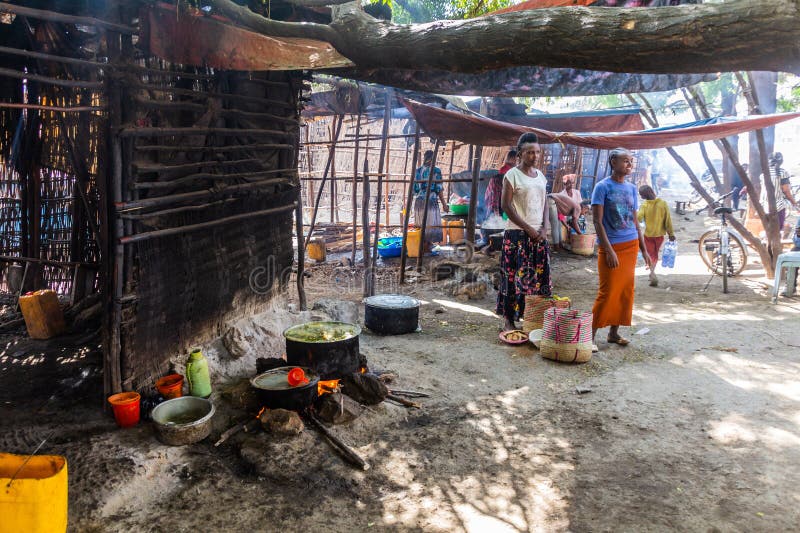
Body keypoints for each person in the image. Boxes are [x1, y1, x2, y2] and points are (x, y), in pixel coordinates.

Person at [591, 147, 652, 349]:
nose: (629, 164)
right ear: (613, 162)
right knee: (607, 292)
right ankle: (589, 338)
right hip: (611, 246)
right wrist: (608, 250)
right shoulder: (602, 187)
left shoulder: (632, 189)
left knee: (625, 290)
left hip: (630, 244)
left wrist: (644, 250)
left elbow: (635, 222)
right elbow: (597, 222)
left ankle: (613, 333)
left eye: (631, 161)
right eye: (625, 161)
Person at [496, 133, 551, 332]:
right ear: (520, 153)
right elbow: (506, 206)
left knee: (537, 278)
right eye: (530, 152)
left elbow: (545, 203)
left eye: (537, 152)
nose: (535, 156)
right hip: (517, 235)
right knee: (512, 278)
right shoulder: (512, 175)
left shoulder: (540, 176)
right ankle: (508, 320)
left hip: (538, 236)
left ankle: (532, 318)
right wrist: (528, 228)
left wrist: (544, 228)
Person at [637, 185, 675, 287]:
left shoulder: (644, 205)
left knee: (650, 254)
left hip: (648, 235)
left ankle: (652, 272)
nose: (640, 196)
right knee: (655, 254)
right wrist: (671, 234)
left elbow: (639, 218)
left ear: (644, 195)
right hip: (660, 236)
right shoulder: (663, 203)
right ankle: (652, 271)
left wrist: (633, 214)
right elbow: (668, 220)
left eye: (641, 195)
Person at [413, 150, 448, 253]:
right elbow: (439, 189)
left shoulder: (418, 171)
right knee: (430, 225)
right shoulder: (436, 171)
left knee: (421, 225)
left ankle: (423, 248)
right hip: (430, 201)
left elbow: (415, 190)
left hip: (419, 202)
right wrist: (444, 204)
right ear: (433, 159)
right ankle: (427, 248)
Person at [760, 152, 797, 232]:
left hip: (764, 206)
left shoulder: (764, 173)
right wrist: (794, 203)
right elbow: (786, 191)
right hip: (778, 206)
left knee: (769, 230)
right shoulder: (782, 172)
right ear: (781, 161)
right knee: (778, 230)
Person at [485, 150, 517, 219]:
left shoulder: (514, 170)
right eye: (515, 159)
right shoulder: (505, 169)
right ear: (510, 159)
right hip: (500, 194)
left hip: (504, 195)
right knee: (497, 214)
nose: (516, 161)